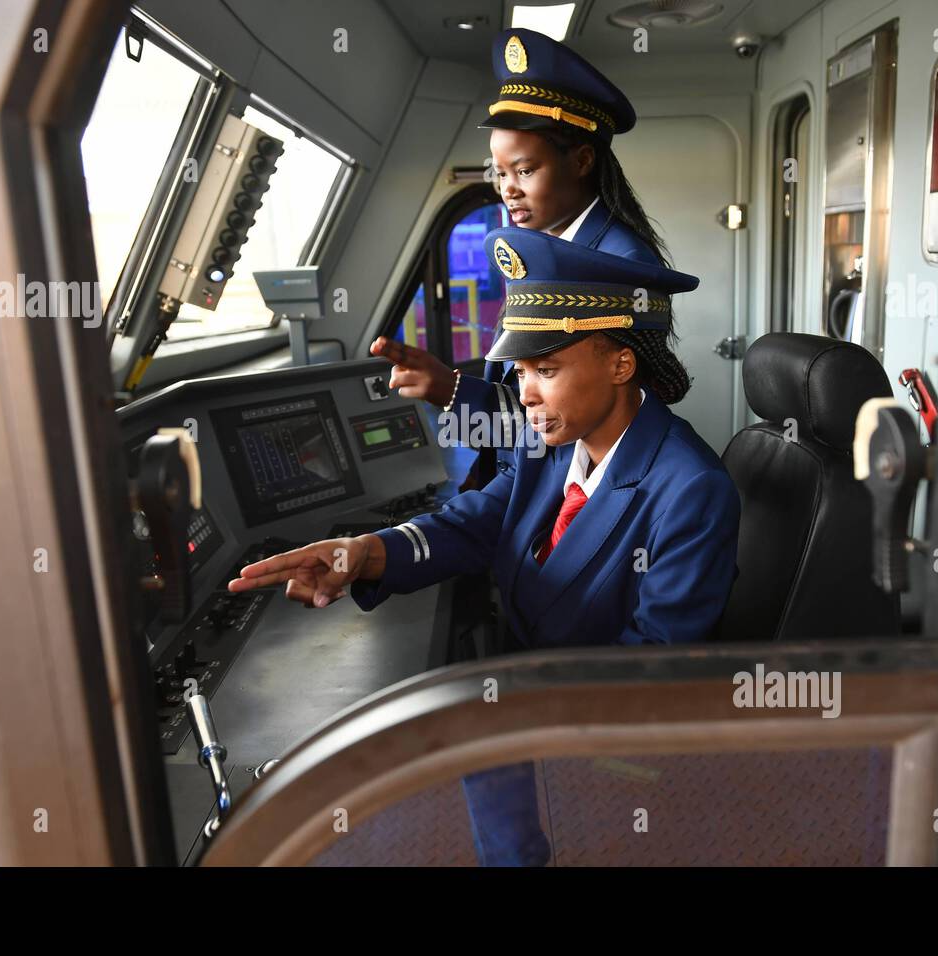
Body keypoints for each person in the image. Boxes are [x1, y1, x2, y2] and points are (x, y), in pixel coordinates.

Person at [230, 228, 740, 865]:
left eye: (545, 370)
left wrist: (508, 718)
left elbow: (653, 673)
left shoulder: (690, 488)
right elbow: (476, 522)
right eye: (522, 370)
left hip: (606, 743)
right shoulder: (553, 443)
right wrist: (361, 551)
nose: (523, 393)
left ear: (620, 363)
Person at [370, 28, 675, 486]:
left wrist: (453, 391)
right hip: (512, 472)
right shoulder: (538, 245)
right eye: (500, 172)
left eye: (526, 170)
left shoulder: (621, 262)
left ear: (583, 160)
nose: (507, 188)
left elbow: (581, 425)